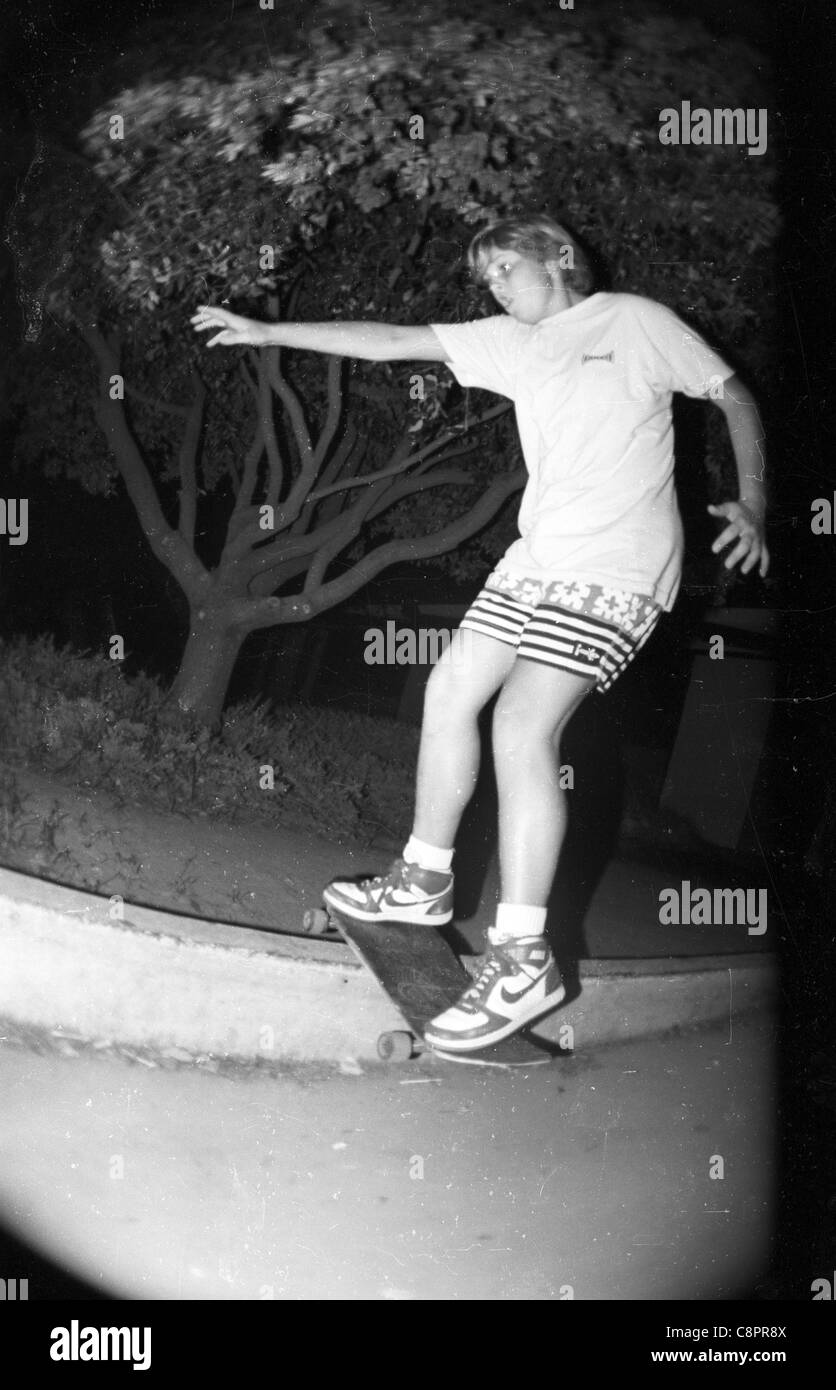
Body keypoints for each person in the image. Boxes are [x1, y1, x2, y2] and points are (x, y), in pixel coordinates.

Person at [192, 213, 769, 1053]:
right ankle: (424, 878)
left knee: (522, 723)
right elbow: (391, 341)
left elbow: (733, 396)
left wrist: (752, 500)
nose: (496, 286)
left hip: (620, 563)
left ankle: (524, 953)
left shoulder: (636, 322)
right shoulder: (506, 340)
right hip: (537, 557)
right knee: (450, 686)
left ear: (559, 258)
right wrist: (269, 330)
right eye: (487, 276)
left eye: (507, 267)